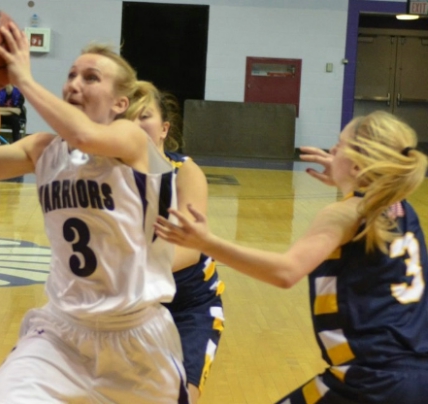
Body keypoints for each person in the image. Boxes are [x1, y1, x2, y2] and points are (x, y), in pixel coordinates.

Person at [0, 25, 186, 403]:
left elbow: (85, 137)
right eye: (70, 75)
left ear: (120, 104)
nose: (74, 84)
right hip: (61, 333)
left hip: (136, 340)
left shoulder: (132, 141)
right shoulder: (42, 149)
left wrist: (23, 80)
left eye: (91, 77)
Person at [156, 110, 428, 403]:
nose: (332, 150)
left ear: (359, 163)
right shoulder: (399, 207)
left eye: (340, 145)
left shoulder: (344, 214)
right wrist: (347, 178)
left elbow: (286, 272)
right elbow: (367, 196)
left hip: (368, 381)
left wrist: (206, 242)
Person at [125, 81, 223, 403]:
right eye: (128, 118)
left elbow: (189, 252)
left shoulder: (185, 172)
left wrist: (120, 268)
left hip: (187, 305)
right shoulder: (107, 174)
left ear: (164, 128)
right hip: (131, 306)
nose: (136, 126)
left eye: (145, 117)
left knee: (180, 396)